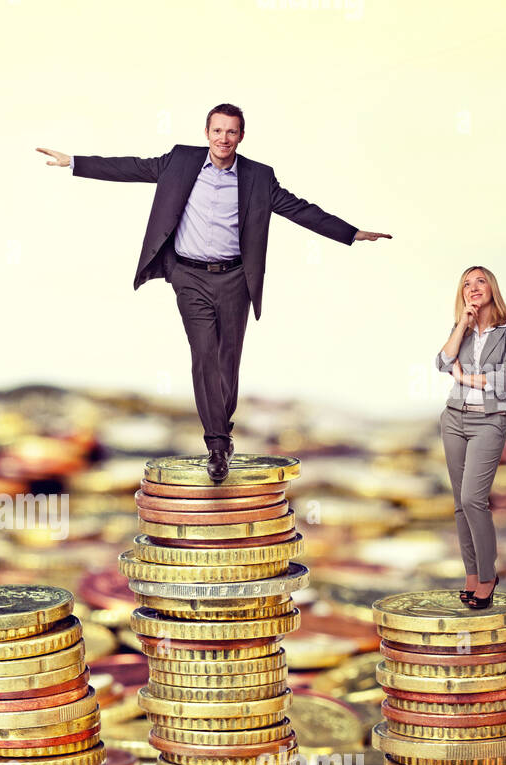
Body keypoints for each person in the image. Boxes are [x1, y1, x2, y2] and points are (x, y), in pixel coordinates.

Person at [39, 103, 390, 481]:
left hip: (234, 278)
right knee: (203, 352)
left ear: (241, 136)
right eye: (217, 131)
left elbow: (299, 209)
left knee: (227, 360)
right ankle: (217, 445)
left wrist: (351, 232)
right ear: (207, 133)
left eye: (232, 132)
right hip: (188, 275)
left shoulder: (258, 177)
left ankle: (223, 429)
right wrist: (73, 162)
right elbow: (129, 167)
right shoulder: (179, 161)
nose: (224, 139)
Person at [435, 265, 506, 610]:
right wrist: (462, 324)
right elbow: (443, 361)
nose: (473, 288)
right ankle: (471, 575)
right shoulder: (463, 330)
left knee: (475, 499)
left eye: (480, 281)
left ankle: (488, 576)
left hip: (489, 421)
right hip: (454, 419)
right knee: (460, 503)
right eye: (466, 284)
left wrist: (466, 376)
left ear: (493, 288)